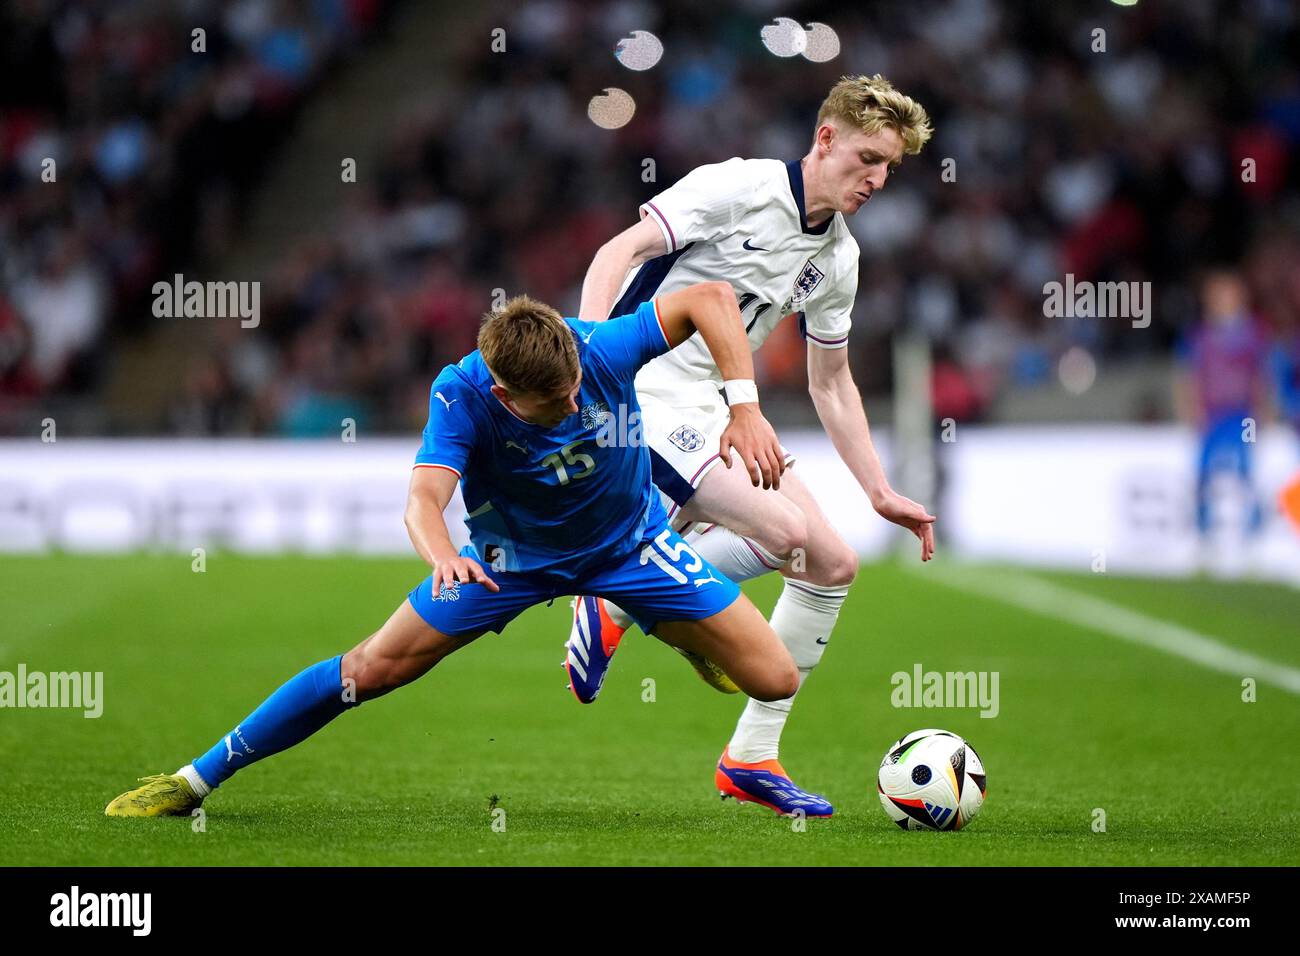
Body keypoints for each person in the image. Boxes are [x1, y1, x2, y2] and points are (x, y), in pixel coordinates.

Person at [105, 282, 807, 817]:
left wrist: (744, 406)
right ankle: (195, 780)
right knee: (369, 669)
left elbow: (711, 297)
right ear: (504, 394)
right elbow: (422, 501)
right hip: (506, 564)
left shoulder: (600, 349)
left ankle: (638, 617)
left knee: (777, 680)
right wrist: (443, 556)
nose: (573, 407)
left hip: (630, 546)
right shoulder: (462, 394)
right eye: (553, 403)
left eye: (575, 393)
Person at [562, 74, 936, 817]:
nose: (877, 179)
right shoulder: (738, 187)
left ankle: (750, 757)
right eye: (867, 157)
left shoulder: (838, 260)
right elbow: (617, 252)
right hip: (643, 396)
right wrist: (587, 359)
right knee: (784, 532)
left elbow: (832, 384)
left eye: (888, 167)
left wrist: (878, 489)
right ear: (825, 138)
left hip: (719, 411)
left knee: (831, 562)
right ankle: (621, 595)